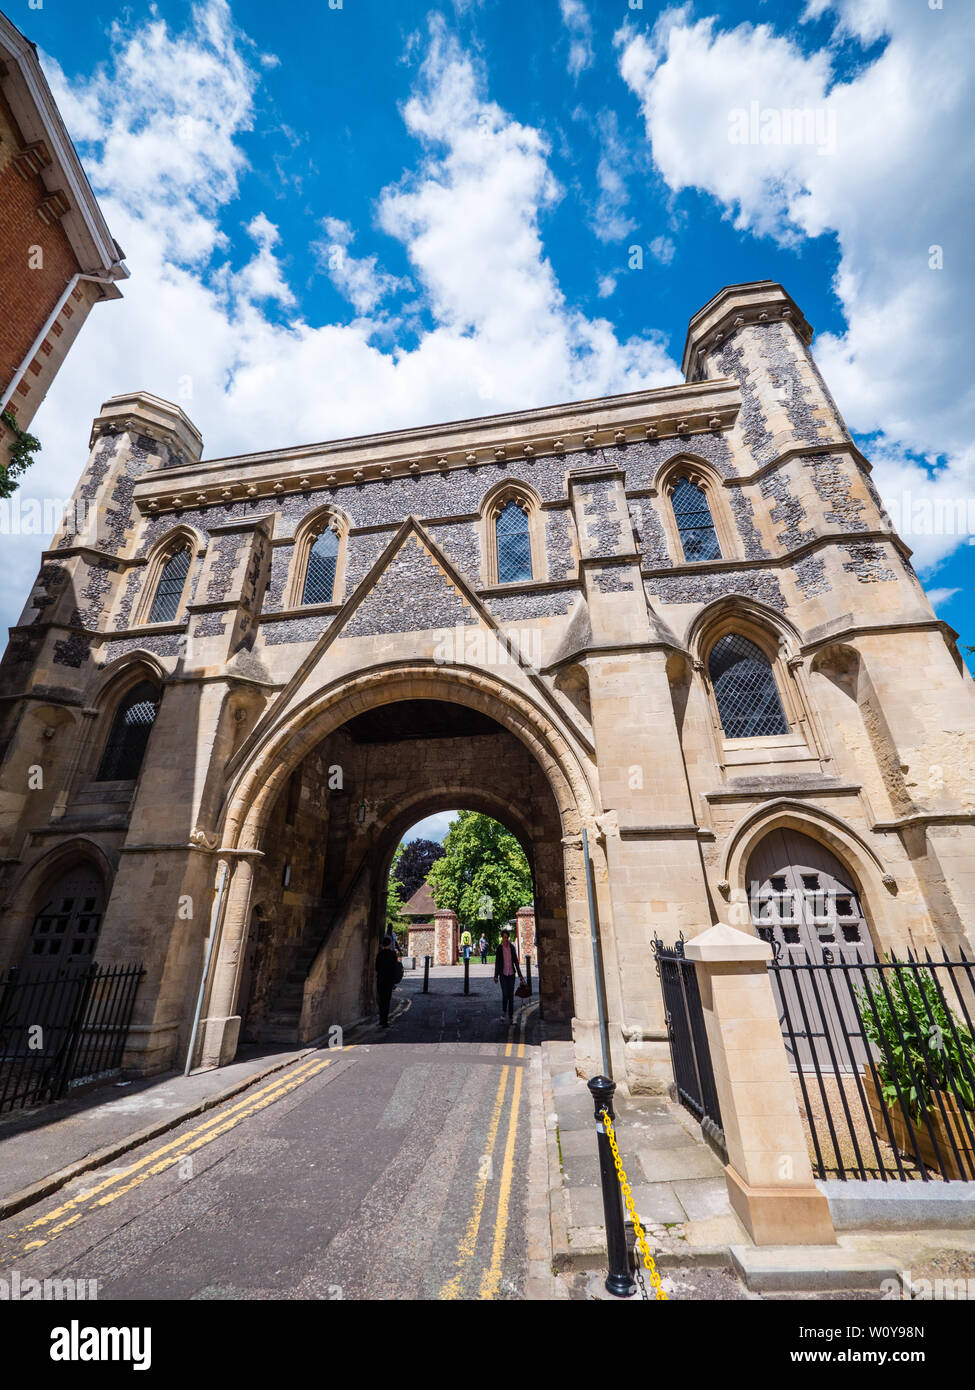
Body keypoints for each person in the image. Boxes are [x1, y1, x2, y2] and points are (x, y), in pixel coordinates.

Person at [493, 927, 524, 1023]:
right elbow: (497, 963)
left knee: (511, 995)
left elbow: (516, 962)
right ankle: (503, 1012)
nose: (506, 939)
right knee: (505, 994)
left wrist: (520, 975)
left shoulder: (512, 948)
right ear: (502, 938)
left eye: (507, 937)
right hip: (503, 975)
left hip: (511, 974)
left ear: (509, 938)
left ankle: (510, 1016)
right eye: (504, 937)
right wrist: (495, 976)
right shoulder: (499, 948)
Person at [375, 933, 402, 1028]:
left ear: (382, 944)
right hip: (389, 980)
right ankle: (385, 1020)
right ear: (390, 944)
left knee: (381, 1000)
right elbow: (395, 968)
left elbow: (377, 967)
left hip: (381, 980)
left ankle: (381, 1019)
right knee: (387, 1000)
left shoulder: (379, 954)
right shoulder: (392, 954)